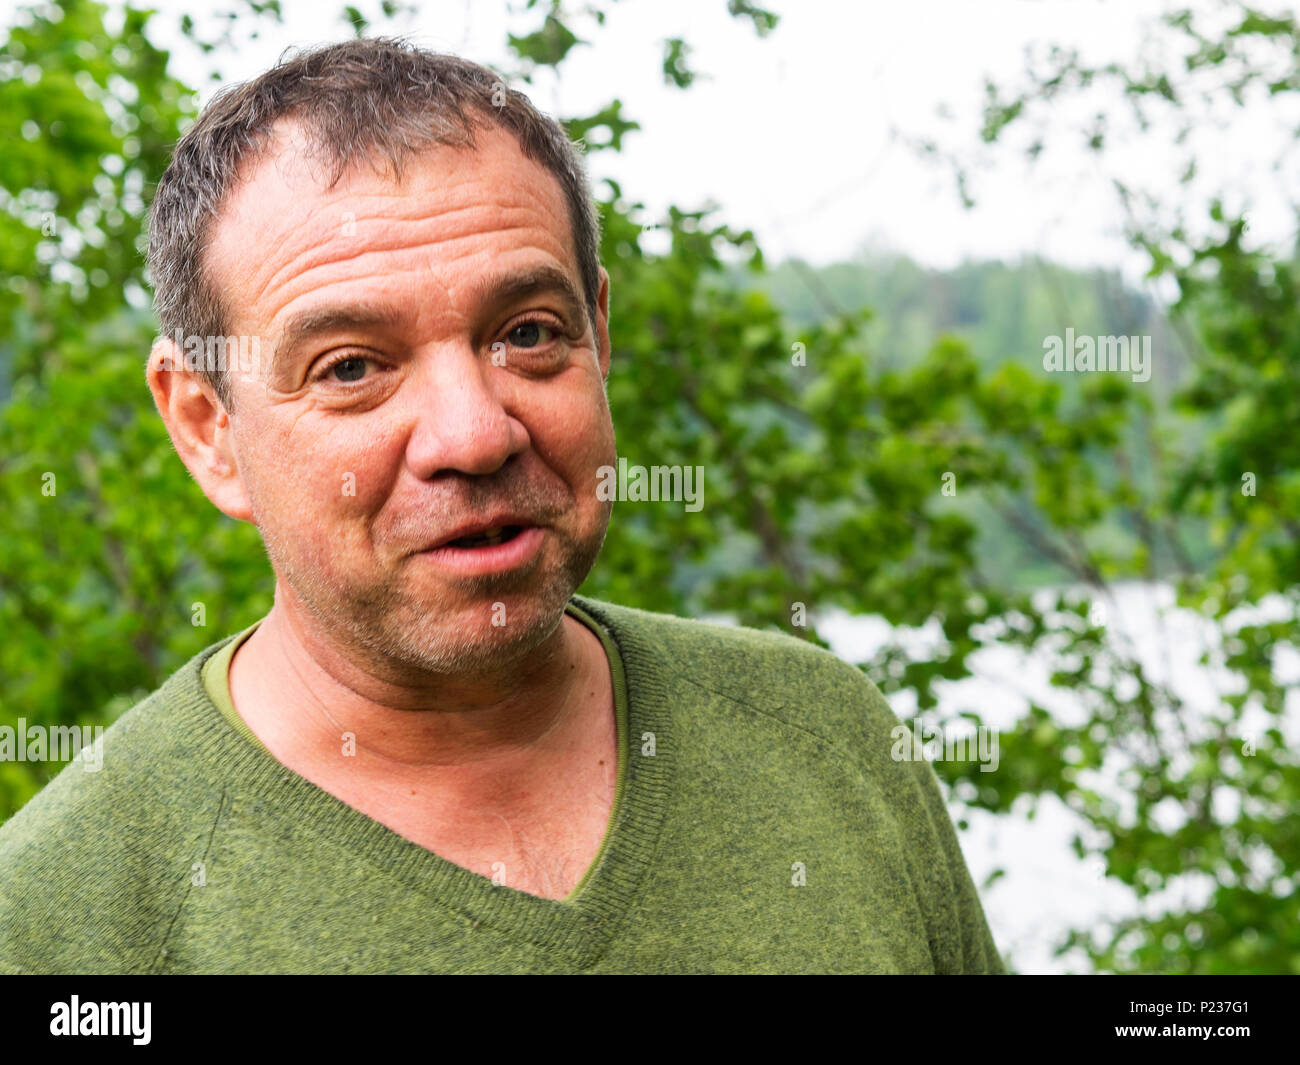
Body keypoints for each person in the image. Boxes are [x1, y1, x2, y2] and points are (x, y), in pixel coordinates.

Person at [0, 38, 1006, 974]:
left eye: (525, 334)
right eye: (351, 366)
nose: (473, 435)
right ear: (206, 427)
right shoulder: (62, 921)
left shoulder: (822, 737)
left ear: (599, 336)